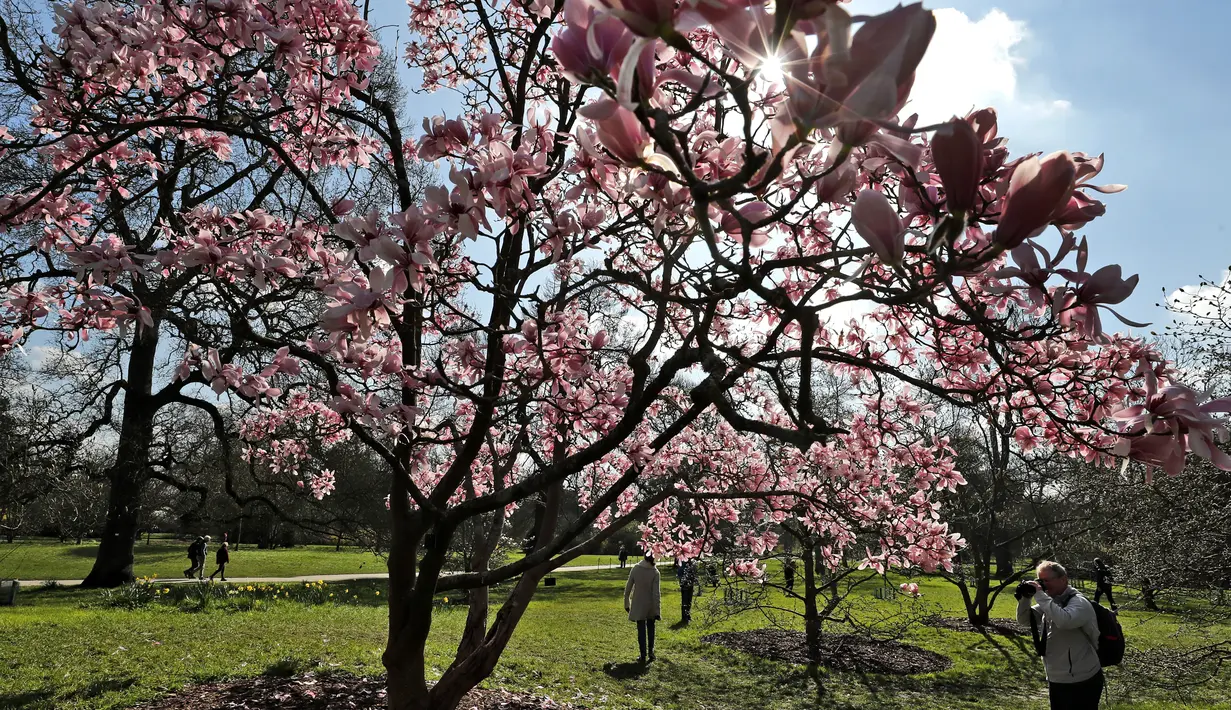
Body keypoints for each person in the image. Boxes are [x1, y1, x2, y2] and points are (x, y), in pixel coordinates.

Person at [1016, 560, 1103, 710]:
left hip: (1082, 677)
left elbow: (1065, 621)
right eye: (1040, 581)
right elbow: (1024, 620)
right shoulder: (1051, 602)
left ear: (1063, 579)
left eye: (1047, 580)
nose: (1043, 585)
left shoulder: (1079, 602)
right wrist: (1025, 598)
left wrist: (1040, 595)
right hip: (1057, 677)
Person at [625, 552, 661, 663]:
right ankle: (651, 652)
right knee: (651, 628)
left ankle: (643, 655)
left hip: (638, 603)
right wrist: (657, 610)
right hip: (650, 604)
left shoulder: (636, 568)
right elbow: (656, 593)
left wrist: (627, 603)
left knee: (641, 630)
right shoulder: (655, 572)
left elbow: (628, 587)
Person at [676, 558, 697, 622]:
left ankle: (688, 615)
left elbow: (694, 573)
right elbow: (679, 573)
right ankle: (684, 617)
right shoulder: (682, 563)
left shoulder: (692, 563)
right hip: (685, 586)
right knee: (685, 601)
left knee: (689, 601)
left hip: (690, 585)